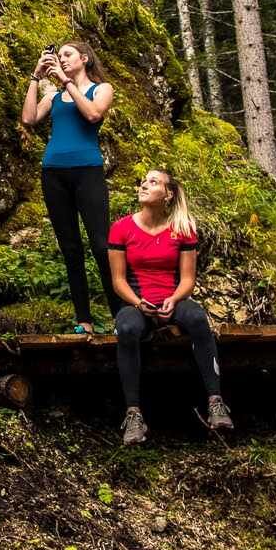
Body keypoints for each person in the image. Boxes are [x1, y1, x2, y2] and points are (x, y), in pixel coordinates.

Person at [107, 168, 233, 444]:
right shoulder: (121, 228)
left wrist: (174, 299)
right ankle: (133, 414)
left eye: (153, 182)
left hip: (173, 300)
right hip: (137, 302)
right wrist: (138, 303)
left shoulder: (183, 229)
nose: (144, 185)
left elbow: (188, 278)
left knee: (199, 319)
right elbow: (118, 280)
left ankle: (215, 402)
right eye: (143, 181)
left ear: (168, 193)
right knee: (126, 327)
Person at [21, 40, 117, 334]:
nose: (61, 59)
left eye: (67, 55)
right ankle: (83, 320)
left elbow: (92, 115)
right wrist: (36, 77)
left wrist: (67, 83)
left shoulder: (101, 89)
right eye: (57, 56)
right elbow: (28, 119)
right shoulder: (53, 96)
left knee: (102, 245)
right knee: (70, 248)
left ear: (84, 59)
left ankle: (120, 316)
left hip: (87, 172)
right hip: (53, 173)